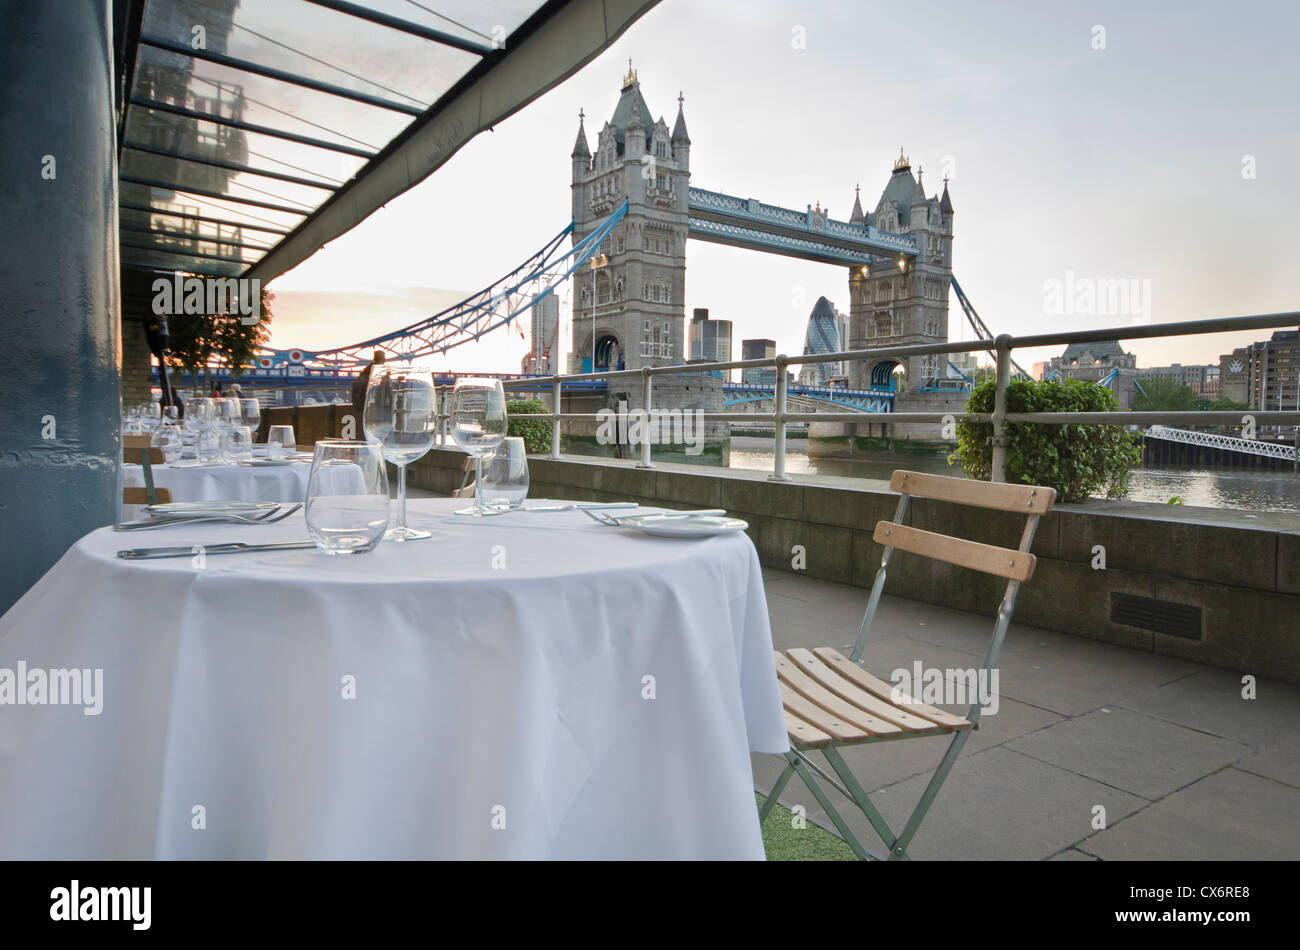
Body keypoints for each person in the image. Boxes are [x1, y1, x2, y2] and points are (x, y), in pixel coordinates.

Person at [351, 350, 386, 418]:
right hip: (368, 412)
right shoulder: (375, 373)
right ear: (383, 359)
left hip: (360, 411)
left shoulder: (365, 373)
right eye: (383, 359)